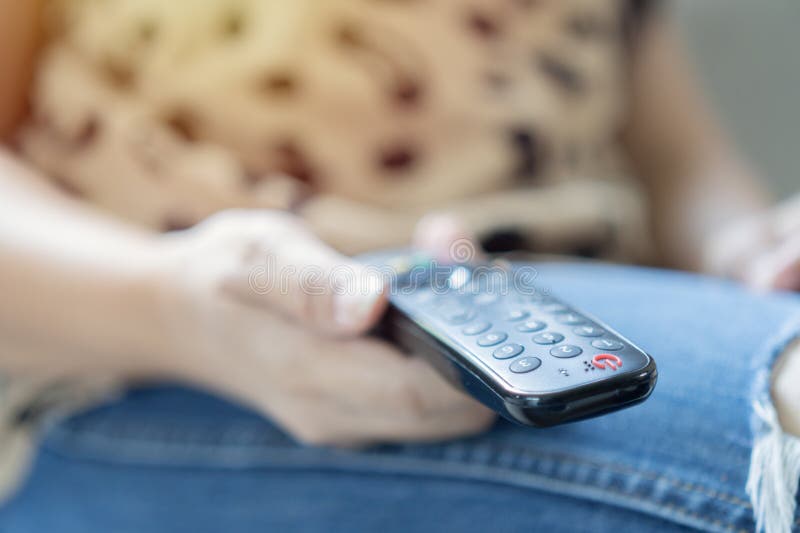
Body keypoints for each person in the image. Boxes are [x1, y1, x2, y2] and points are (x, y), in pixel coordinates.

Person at [0, 1, 798, 531]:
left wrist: (746, 246)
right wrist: (172, 308)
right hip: (146, 357)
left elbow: (681, 165)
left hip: (553, 301)